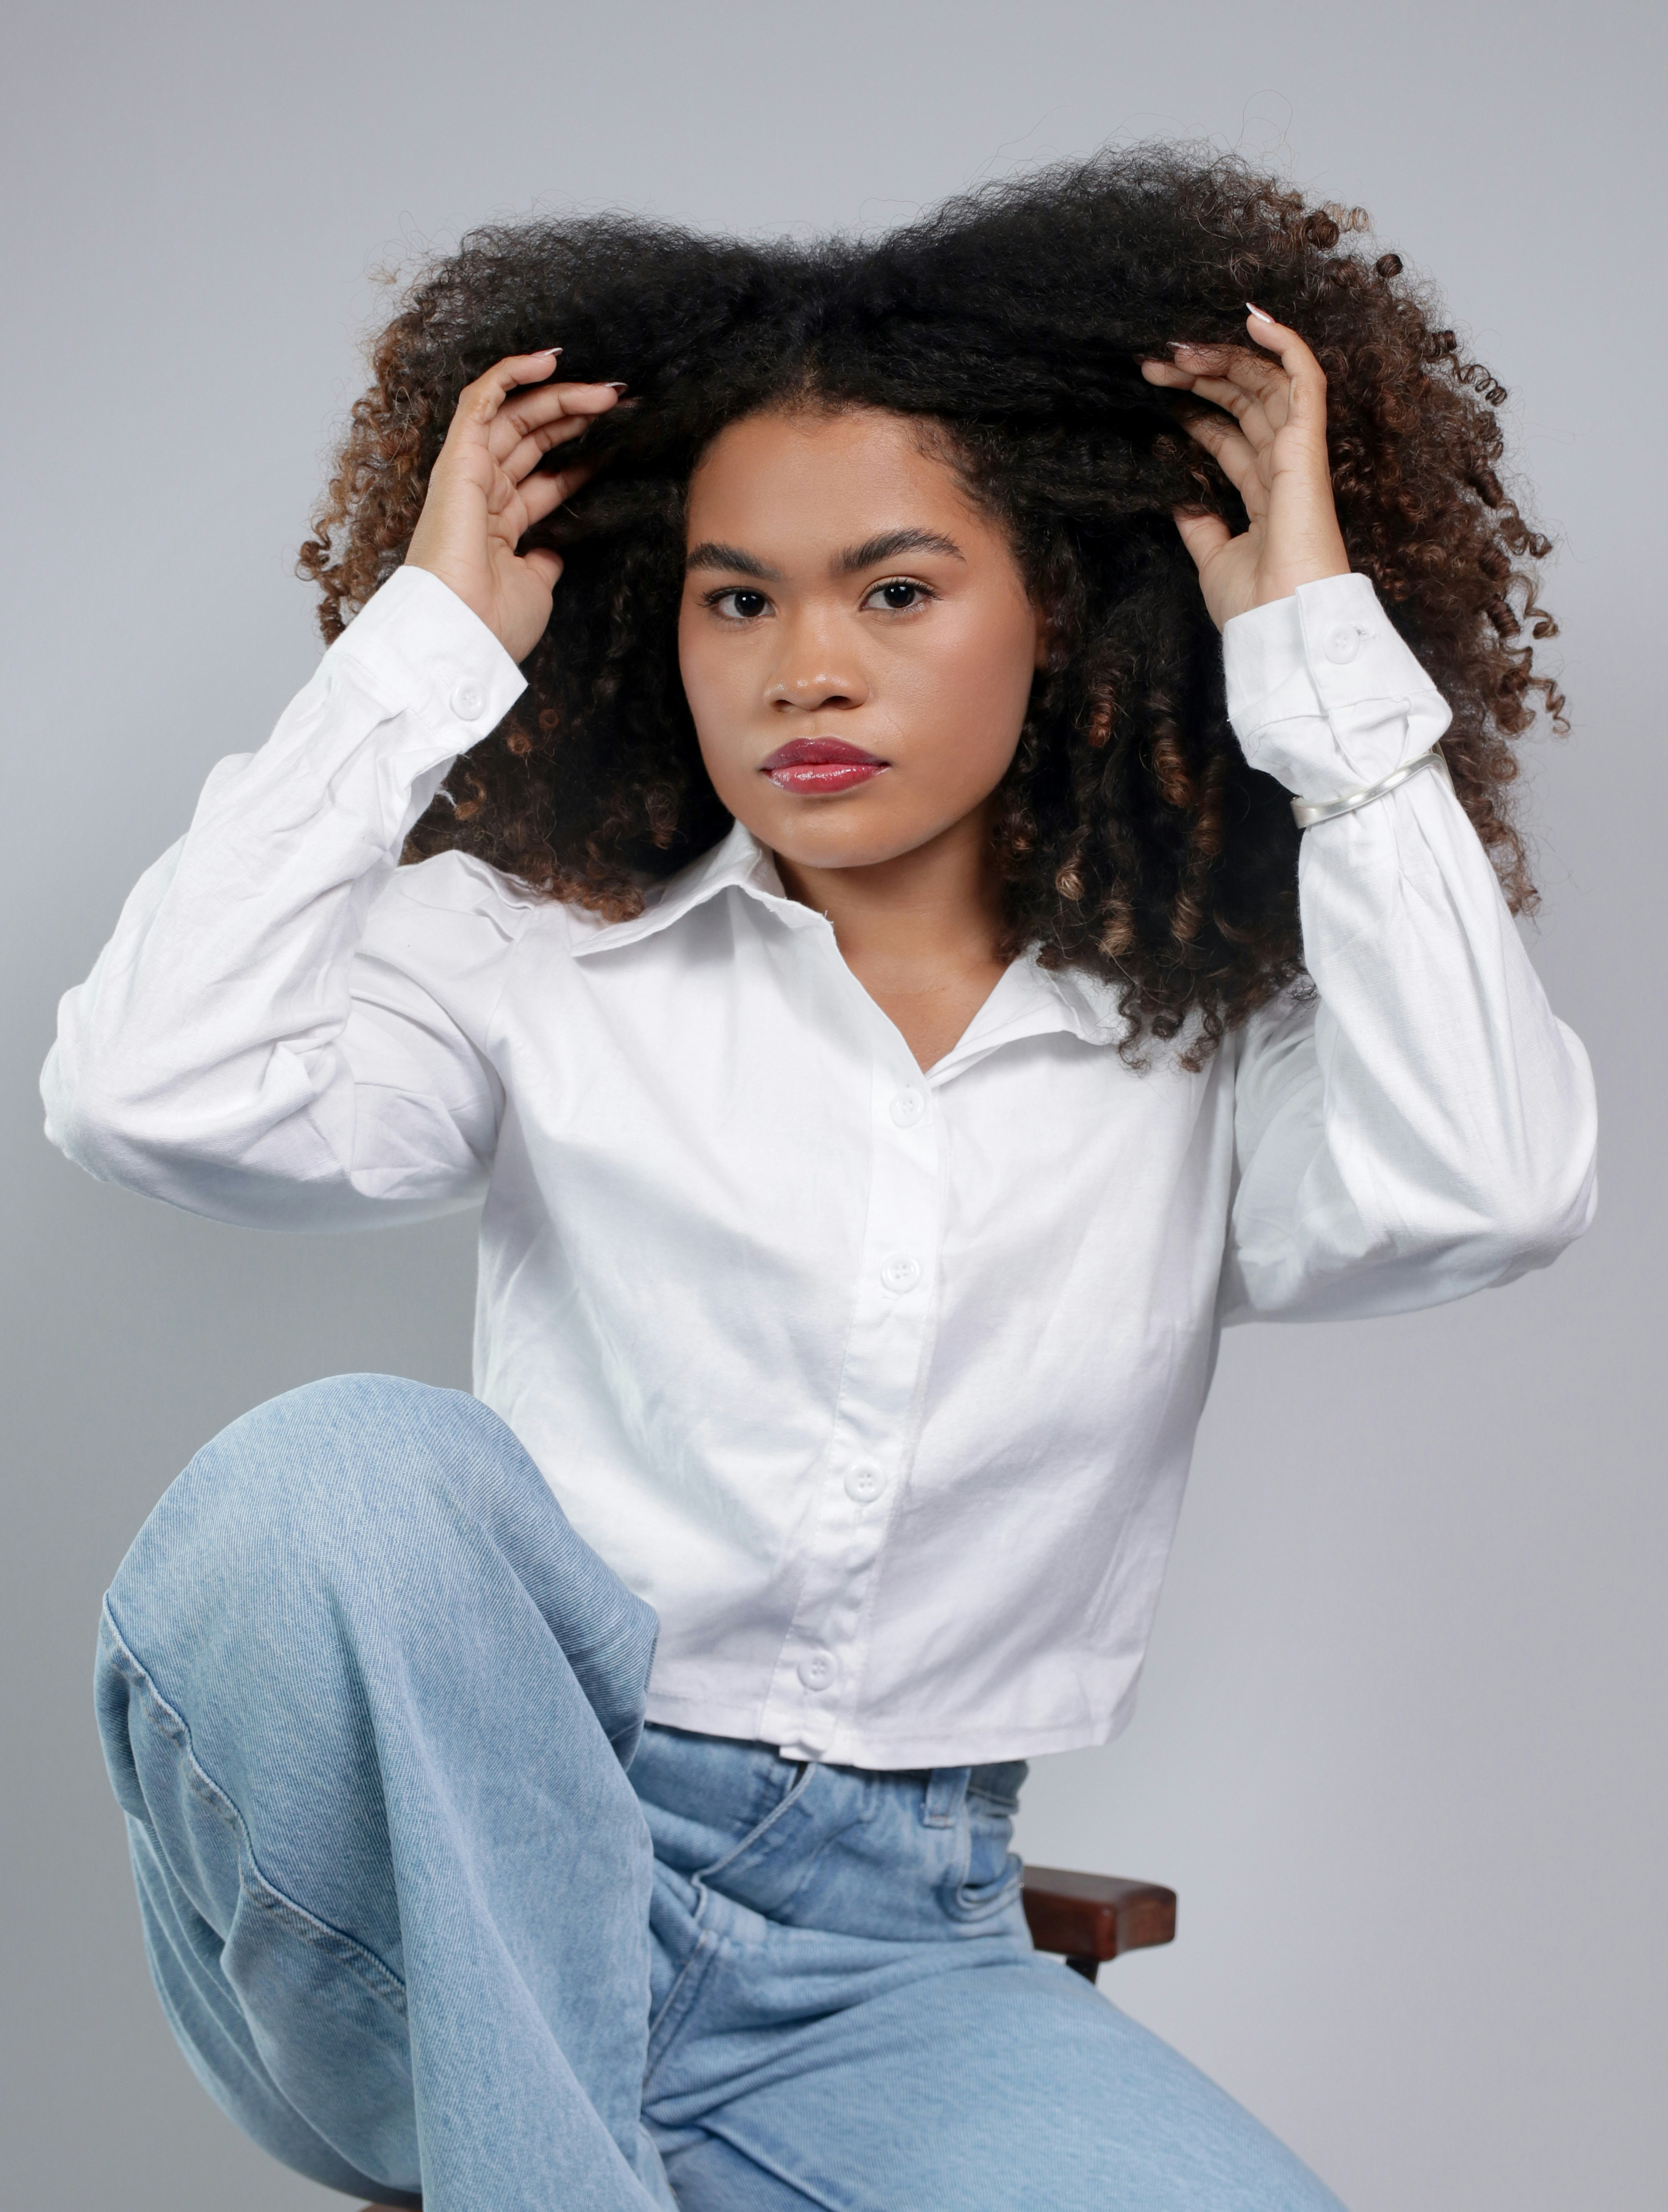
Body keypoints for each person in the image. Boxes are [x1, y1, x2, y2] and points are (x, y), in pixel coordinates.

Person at [44, 151, 1596, 2211]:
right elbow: (150, 1098)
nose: (805, 670)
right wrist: (423, 649)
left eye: (894, 588)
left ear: (1058, 605)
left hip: (894, 1960)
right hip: (447, 1884)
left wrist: (1311, 650)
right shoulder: (537, 951)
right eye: (736, 597)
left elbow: (1487, 1188)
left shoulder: (1205, 1045)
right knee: (346, 1472)